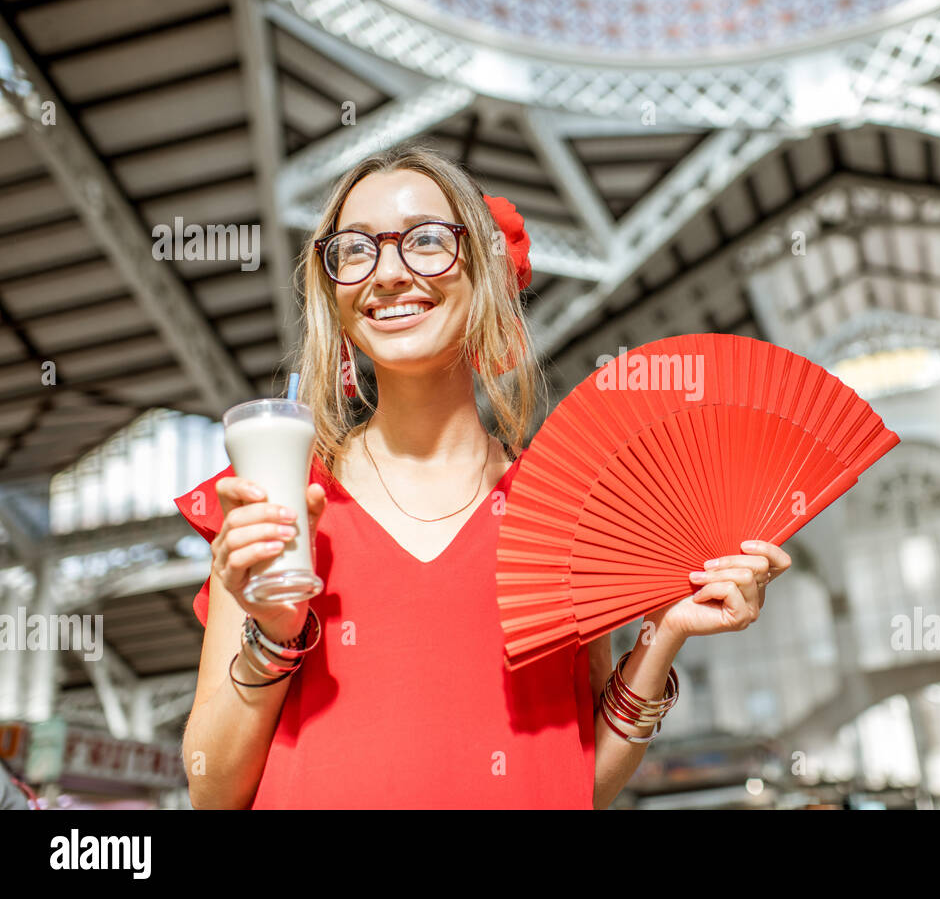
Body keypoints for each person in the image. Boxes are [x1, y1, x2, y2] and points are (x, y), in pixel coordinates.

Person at [176, 144, 790, 808]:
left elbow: (574, 782)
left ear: (487, 273)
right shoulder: (277, 503)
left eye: (427, 240)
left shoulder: (565, 511)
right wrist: (273, 633)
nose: (387, 272)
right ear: (333, 289)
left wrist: (663, 631)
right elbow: (211, 789)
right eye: (356, 249)